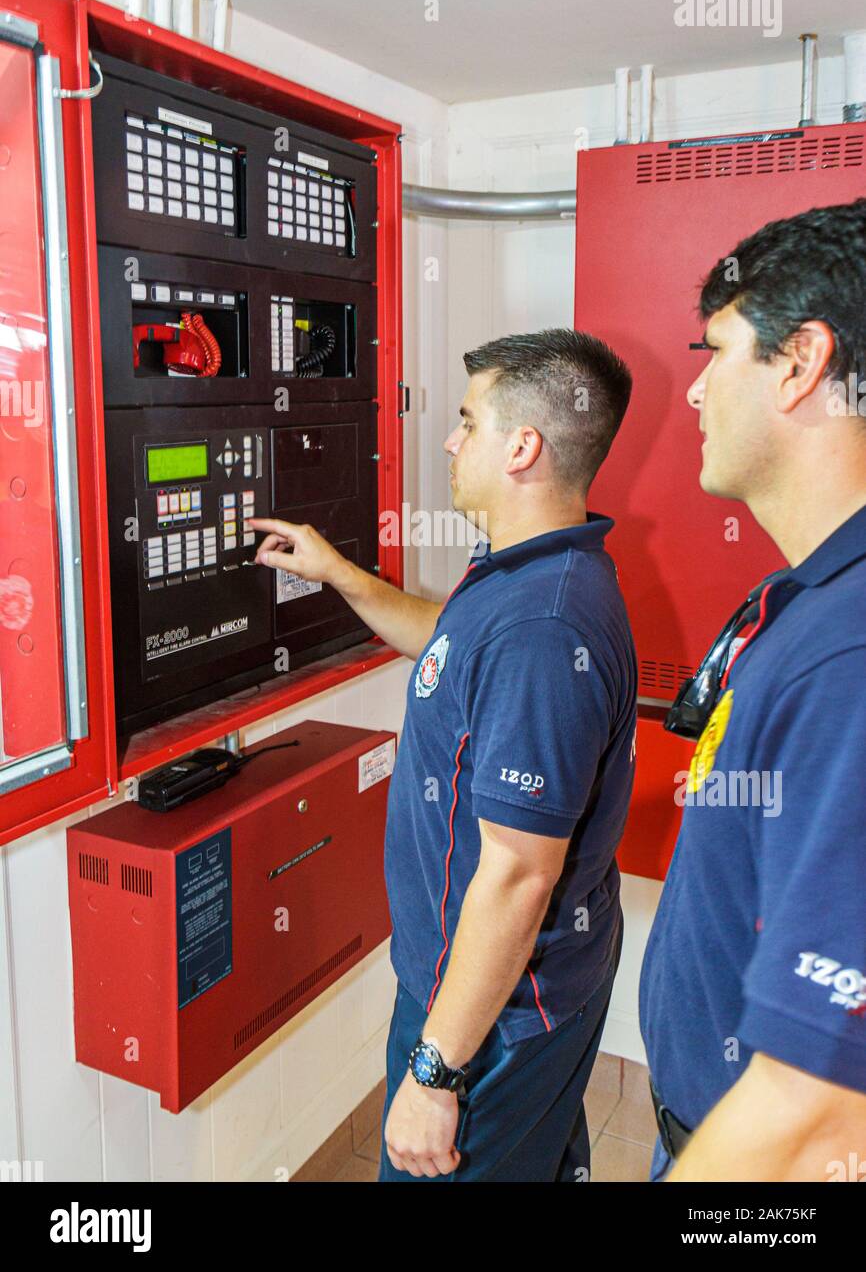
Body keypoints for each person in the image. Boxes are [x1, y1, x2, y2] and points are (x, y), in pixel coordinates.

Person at [250, 327, 637, 1181]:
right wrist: (341, 574)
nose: (453, 440)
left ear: (523, 445)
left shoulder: (545, 625)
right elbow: (449, 643)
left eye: (468, 421)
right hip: (504, 993)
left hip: (490, 1021)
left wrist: (436, 1072)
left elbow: (517, 872)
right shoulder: (522, 574)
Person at [640, 198, 866, 1181]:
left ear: (798, 360)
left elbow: (813, 1112)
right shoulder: (805, 598)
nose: (693, 393)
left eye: (716, 350)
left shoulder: (847, 655)